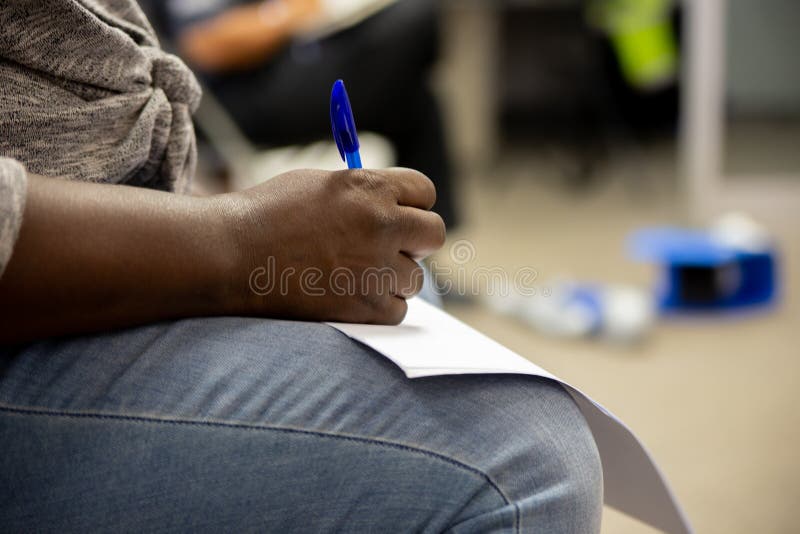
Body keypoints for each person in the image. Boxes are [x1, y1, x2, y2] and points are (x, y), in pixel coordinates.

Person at [0, 1, 602, 532]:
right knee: (526, 458)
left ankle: (437, 267)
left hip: (127, 236)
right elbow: (208, 46)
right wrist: (244, 241)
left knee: (417, 136)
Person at [140, 0, 459, 227]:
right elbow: (205, 46)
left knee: (409, 96)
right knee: (413, 19)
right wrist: (294, 12)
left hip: (285, 64)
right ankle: (427, 247)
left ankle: (429, 246)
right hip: (238, 100)